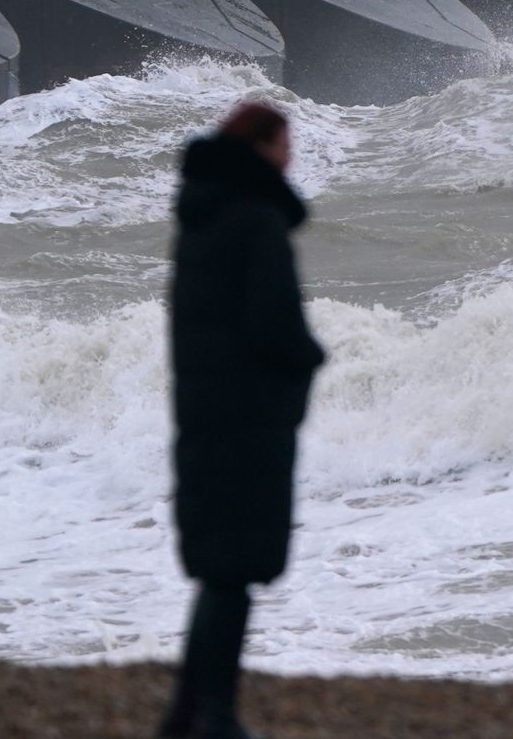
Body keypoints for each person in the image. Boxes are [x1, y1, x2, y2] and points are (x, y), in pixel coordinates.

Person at [159, 102, 325, 739]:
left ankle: (186, 715)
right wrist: (310, 358)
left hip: (205, 411)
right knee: (233, 572)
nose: (291, 157)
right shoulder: (257, 221)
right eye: (284, 144)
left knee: (218, 572)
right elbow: (274, 324)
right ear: (260, 148)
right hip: (249, 417)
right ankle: (218, 716)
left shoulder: (201, 219)